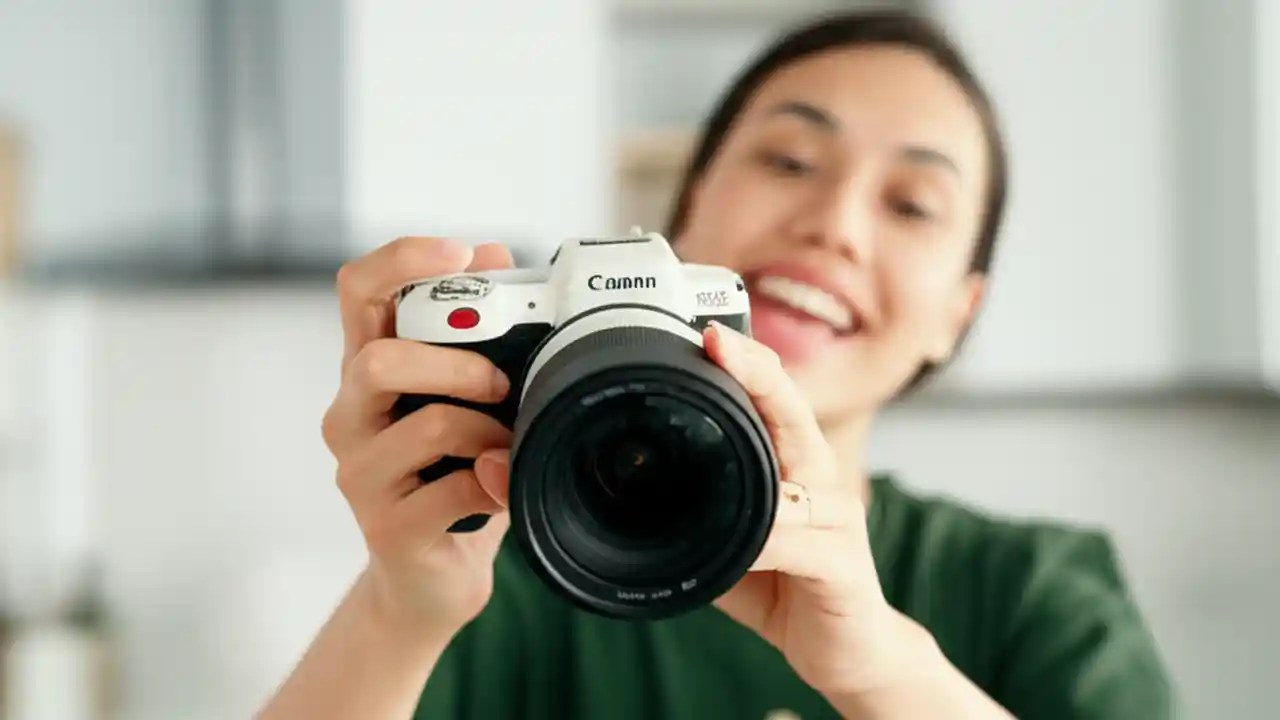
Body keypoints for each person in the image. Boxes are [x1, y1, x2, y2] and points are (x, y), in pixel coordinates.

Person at [259, 10, 1174, 719]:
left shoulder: (1034, 593)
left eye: (912, 205)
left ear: (957, 315)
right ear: (687, 211)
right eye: (788, 158)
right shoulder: (500, 568)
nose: (834, 224)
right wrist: (403, 605)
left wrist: (883, 670)